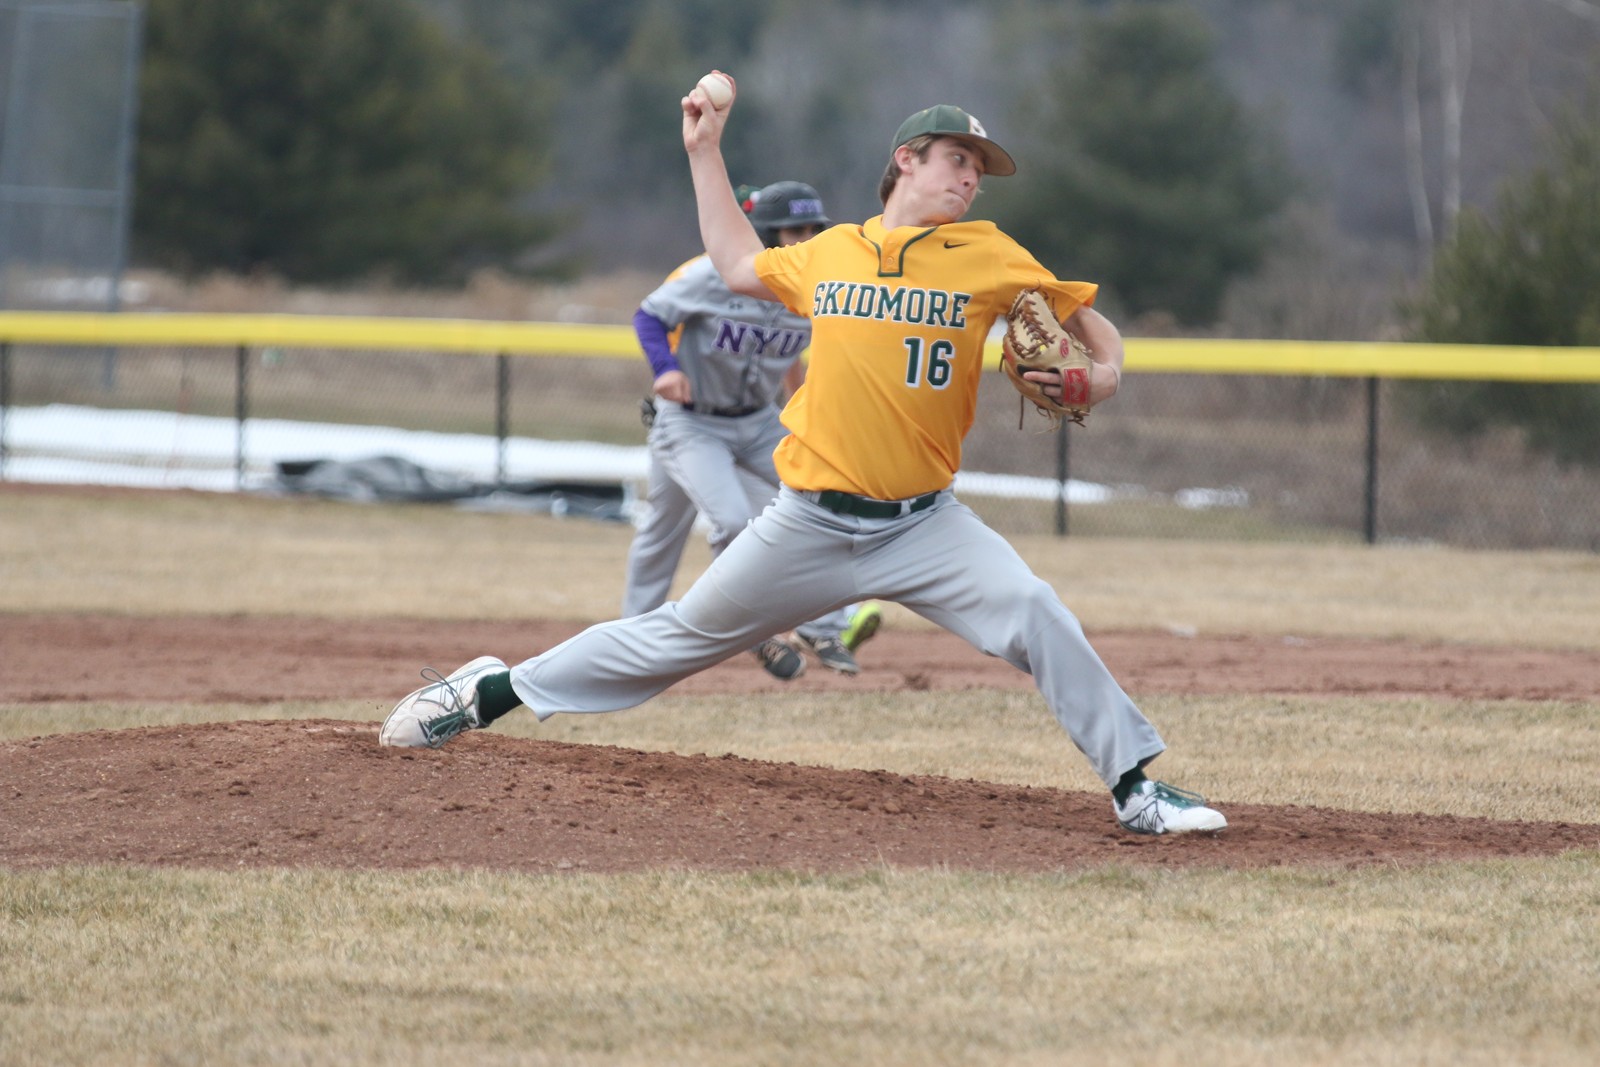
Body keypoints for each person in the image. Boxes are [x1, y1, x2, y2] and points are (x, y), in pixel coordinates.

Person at [380, 81, 1227, 836]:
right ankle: (486, 694)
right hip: (807, 522)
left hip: (927, 525)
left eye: (980, 170)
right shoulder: (831, 252)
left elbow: (1092, 330)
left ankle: (1135, 789)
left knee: (1038, 612)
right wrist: (705, 152)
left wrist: (1102, 381)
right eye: (957, 161)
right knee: (673, 639)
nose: (971, 179)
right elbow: (735, 261)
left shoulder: (992, 256)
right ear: (907, 160)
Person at [620, 181, 875, 679]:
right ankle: (649, 640)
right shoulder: (714, 273)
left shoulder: (815, 282)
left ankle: (823, 626)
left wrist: (805, 407)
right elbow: (650, 315)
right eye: (793, 229)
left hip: (758, 422)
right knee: (719, 523)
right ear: (764, 232)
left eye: (811, 229)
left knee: (825, 496)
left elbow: (793, 356)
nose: (805, 238)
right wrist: (664, 369)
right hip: (692, 422)